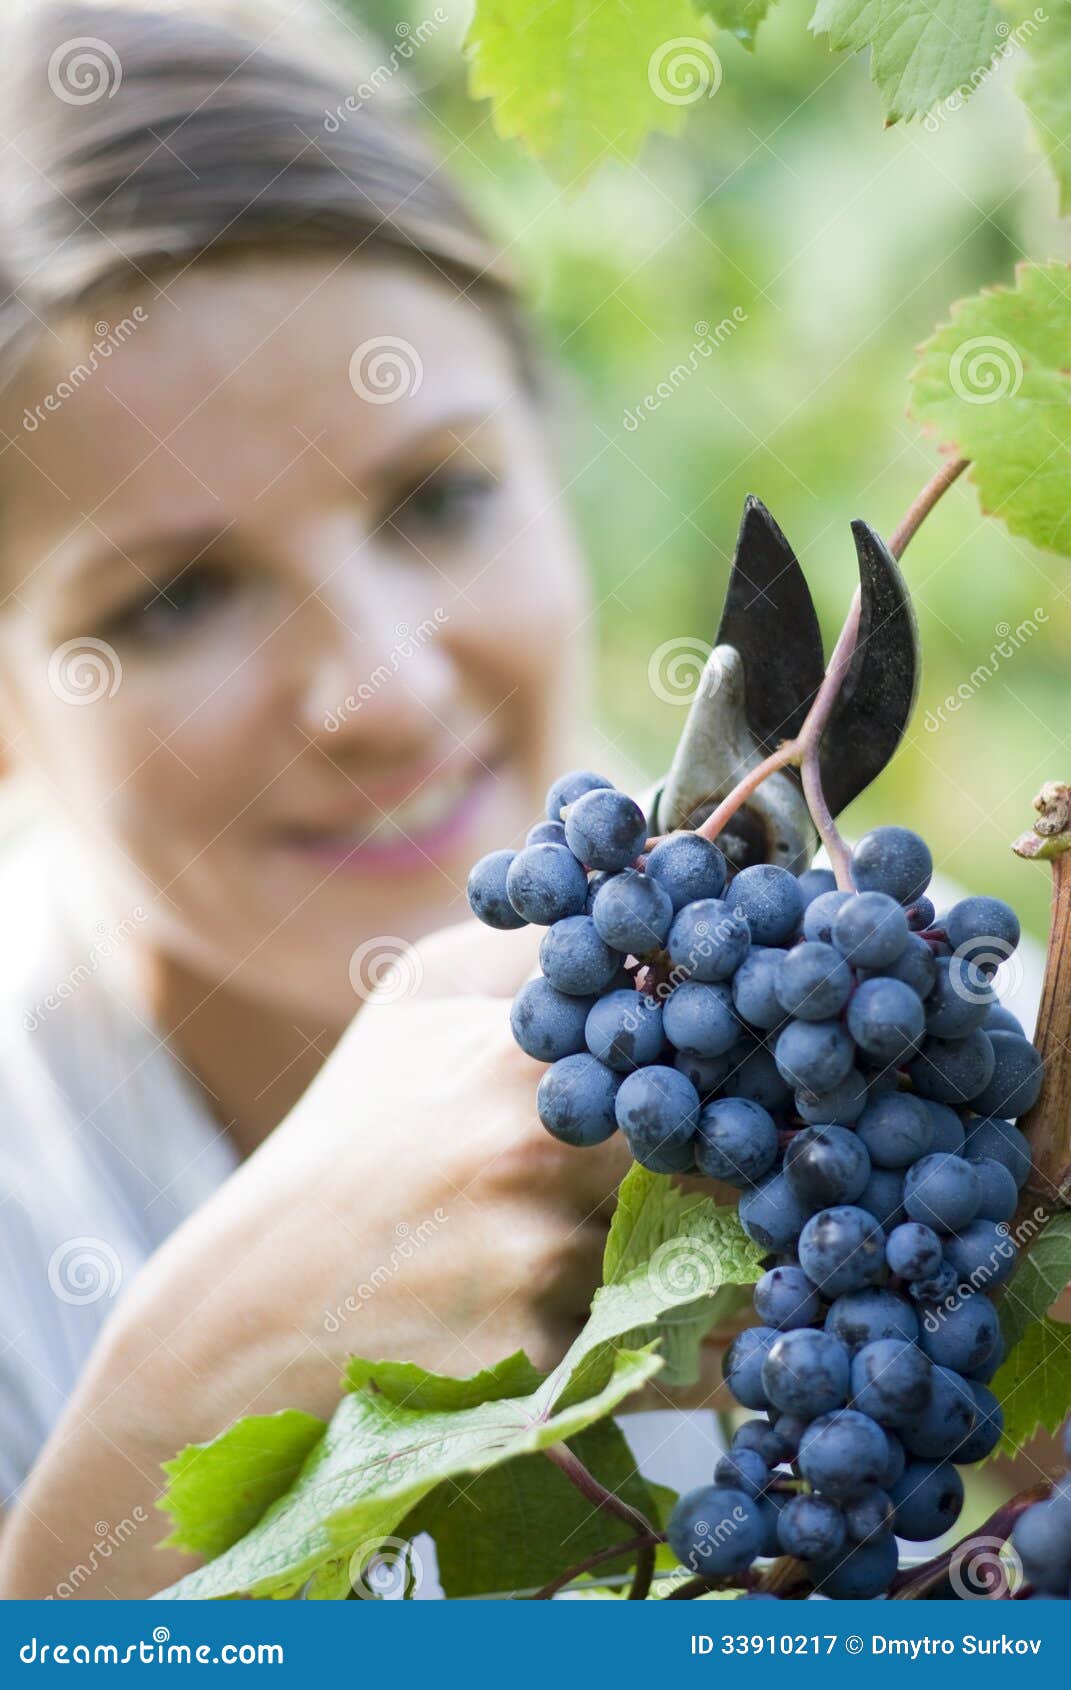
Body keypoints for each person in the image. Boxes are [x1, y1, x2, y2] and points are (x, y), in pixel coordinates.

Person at [0, 0, 734, 1599]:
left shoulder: (917, 1055)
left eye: (438, 497)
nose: (384, 689)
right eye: (177, 598)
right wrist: (142, 1465)